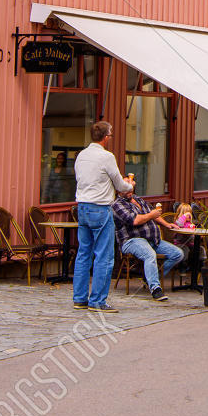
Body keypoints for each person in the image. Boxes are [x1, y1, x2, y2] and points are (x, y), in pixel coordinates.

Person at [71, 120, 131, 313]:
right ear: (106, 138)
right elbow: (120, 185)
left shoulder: (81, 156)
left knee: (83, 253)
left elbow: (80, 178)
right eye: (110, 135)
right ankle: (97, 300)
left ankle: (79, 298)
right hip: (100, 207)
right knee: (104, 256)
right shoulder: (107, 157)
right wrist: (130, 184)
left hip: (82, 207)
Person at [112, 190, 185, 302]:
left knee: (178, 254)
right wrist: (151, 215)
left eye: (131, 186)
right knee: (149, 254)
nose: (129, 189)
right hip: (132, 241)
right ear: (119, 189)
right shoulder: (117, 205)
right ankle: (156, 289)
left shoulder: (138, 199)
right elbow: (135, 220)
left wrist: (167, 224)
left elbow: (154, 214)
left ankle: (149, 277)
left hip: (153, 240)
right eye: (126, 186)